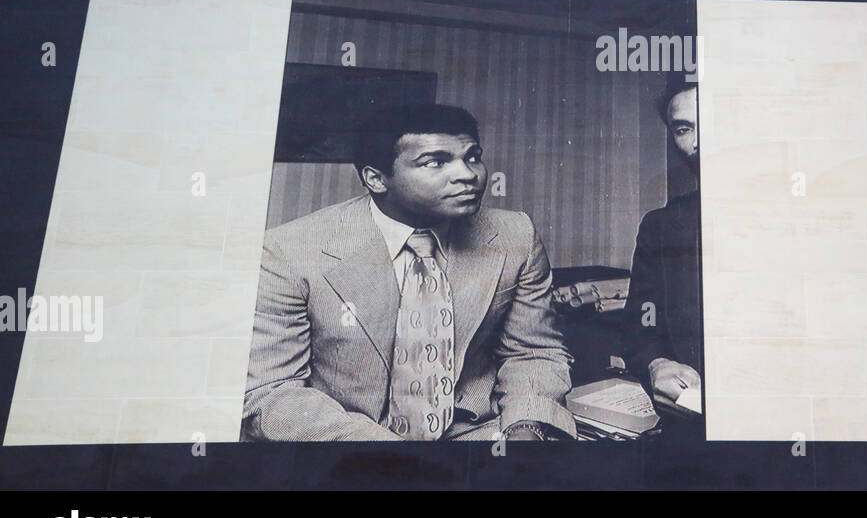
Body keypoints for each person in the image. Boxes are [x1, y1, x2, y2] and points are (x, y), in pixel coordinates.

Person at [243, 103, 575, 442]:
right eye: (436, 162)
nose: (467, 174)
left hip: (477, 437)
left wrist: (527, 426)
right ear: (376, 178)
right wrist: (397, 459)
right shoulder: (289, 251)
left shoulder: (514, 235)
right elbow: (271, 392)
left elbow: (533, 352)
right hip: (349, 445)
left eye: (472, 156)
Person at [623, 75, 703, 409]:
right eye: (684, 128)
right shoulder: (661, 227)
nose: (701, 140)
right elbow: (643, 324)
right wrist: (656, 363)